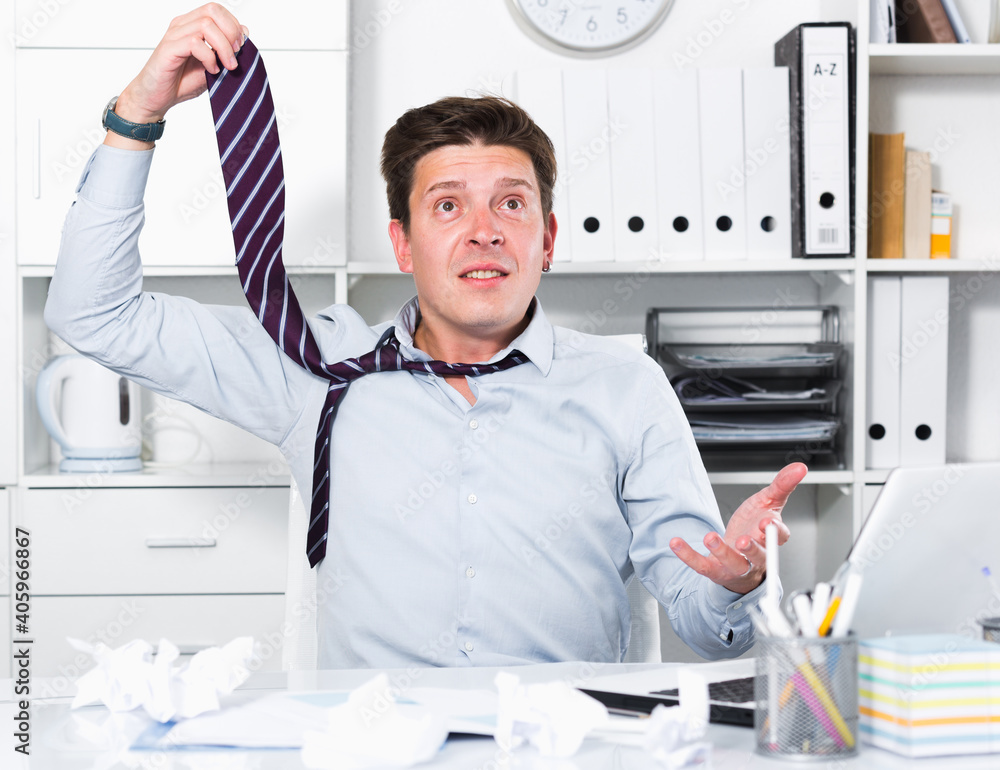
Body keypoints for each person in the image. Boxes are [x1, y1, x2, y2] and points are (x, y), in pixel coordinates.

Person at [45, 3, 805, 668]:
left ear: (547, 241)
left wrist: (734, 580)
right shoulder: (315, 368)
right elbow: (92, 314)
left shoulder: (624, 386)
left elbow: (710, 632)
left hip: (566, 743)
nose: (483, 232)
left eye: (512, 205)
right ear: (402, 244)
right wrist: (136, 115)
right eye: (447, 207)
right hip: (375, 744)